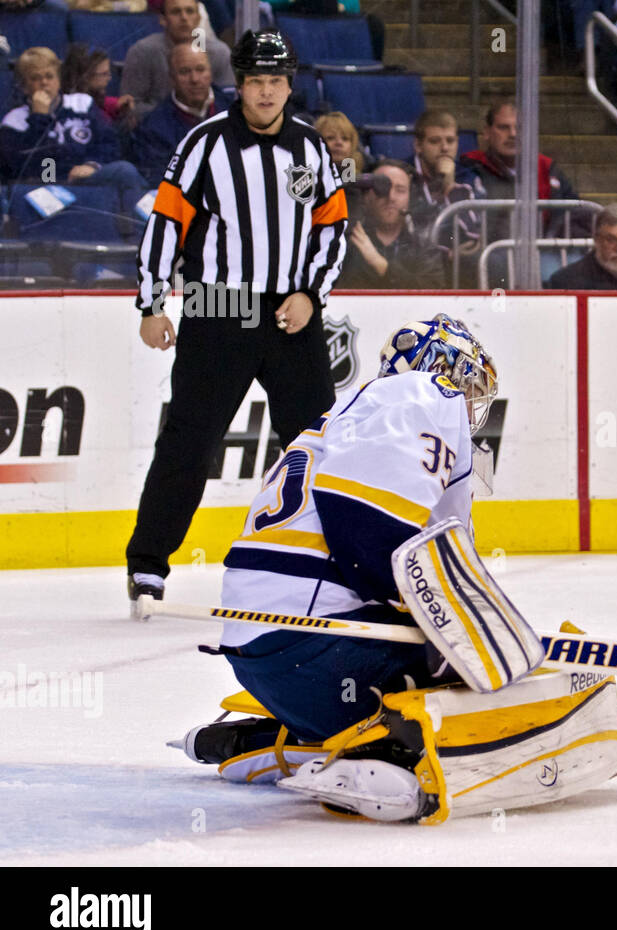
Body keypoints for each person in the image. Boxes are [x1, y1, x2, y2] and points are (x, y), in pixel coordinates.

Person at [166, 316, 617, 823]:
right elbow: (366, 533)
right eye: (469, 382)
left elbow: (401, 554)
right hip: (327, 647)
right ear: (439, 367)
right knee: (490, 680)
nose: (471, 403)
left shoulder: (356, 416)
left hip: (271, 661)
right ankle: (399, 755)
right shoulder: (421, 394)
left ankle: (269, 742)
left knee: (474, 659)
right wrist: (459, 641)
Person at [126, 30, 348, 609]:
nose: (267, 91)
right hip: (217, 309)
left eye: (277, 81)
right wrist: (153, 303)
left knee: (315, 445)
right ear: (240, 84)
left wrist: (310, 294)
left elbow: (333, 225)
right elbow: (166, 221)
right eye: (256, 81)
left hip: (289, 314)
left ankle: (325, 562)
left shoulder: (311, 147)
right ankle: (147, 565)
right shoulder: (204, 143)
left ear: (289, 85)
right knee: (189, 442)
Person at [0, 47, 148, 189]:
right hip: (47, 188)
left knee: (124, 171)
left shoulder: (82, 103)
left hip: (88, 181)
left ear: (58, 79)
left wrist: (91, 165)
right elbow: (39, 172)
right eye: (35, 78)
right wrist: (40, 118)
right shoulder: (14, 121)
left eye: (49, 76)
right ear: (25, 87)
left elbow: (109, 143)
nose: (44, 83)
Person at [460, 99, 583, 249]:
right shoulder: (470, 167)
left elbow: (578, 215)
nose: (512, 134)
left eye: (519, 128)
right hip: (493, 256)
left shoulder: (547, 168)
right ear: (487, 132)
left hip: (545, 254)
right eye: (503, 127)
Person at [335, 159, 448, 289]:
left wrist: (381, 266)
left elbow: (433, 293)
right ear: (366, 196)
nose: (391, 197)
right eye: (381, 188)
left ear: (410, 198)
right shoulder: (345, 244)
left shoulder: (423, 246)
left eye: (400, 190)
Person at [131, 45, 234, 184]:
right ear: (172, 79)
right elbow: (160, 181)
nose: (195, 79)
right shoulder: (153, 128)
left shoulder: (236, 111)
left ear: (210, 73)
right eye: (185, 72)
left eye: (200, 69)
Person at [122, 0, 236, 116]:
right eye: (176, 12)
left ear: (199, 17)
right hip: (158, 129)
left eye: (190, 11)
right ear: (163, 20)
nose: (184, 18)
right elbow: (130, 105)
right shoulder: (142, 52)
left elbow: (229, 102)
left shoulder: (219, 52)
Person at [408, 108, 485, 256]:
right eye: (435, 141)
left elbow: (474, 231)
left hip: (459, 258)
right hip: (418, 257)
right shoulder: (404, 174)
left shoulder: (469, 176)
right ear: (418, 146)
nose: (444, 148)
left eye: (450, 141)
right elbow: (416, 228)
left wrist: (451, 186)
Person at [60, 43, 135, 125]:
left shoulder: (93, 98)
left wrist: (116, 105)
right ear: (85, 76)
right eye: (104, 74)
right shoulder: (79, 111)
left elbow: (101, 103)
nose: (109, 78)